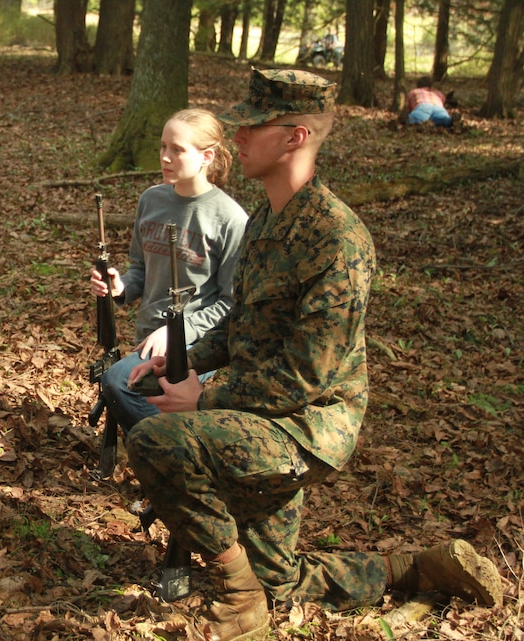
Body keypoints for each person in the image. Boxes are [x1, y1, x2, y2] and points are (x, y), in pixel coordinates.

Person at [125, 68, 502, 641]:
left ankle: (239, 596)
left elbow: (306, 375)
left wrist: (204, 397)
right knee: (281, 582)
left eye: (253, 126)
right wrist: (190, 360)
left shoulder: (337, 240)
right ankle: (416, 569)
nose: (237, 138)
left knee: (156, 440)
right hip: (258, 412)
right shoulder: (265, 220)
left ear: (295, 137)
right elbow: (242, 325)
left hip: (305, 427)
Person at [90, 108, 247, 436]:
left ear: (206, 156)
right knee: (129, 391)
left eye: (177, 149)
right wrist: (120, 287)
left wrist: (178, 332)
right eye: (163, 147)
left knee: (118, 382)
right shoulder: (151, 200)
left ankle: (178, 449)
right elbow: (140, 268)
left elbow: (230, 304)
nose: (165, 157)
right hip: (146, 338)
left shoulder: (230, 219)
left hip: (194, 346)